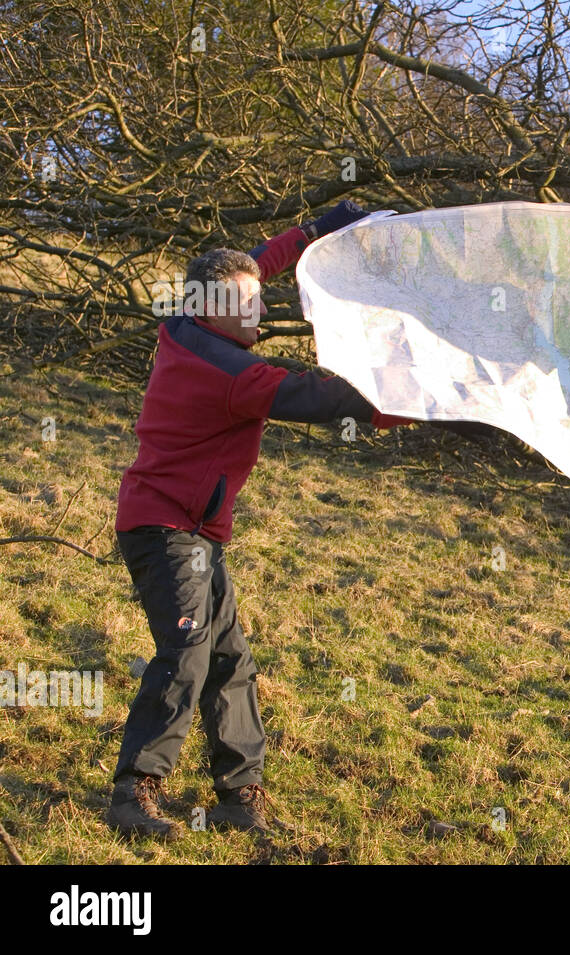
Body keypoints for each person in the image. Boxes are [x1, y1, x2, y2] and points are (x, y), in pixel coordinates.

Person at [106, 200, 414, 839]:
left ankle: (240, 796)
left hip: (194, 530)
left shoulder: (188, 322)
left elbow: (257, 266)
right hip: (164, 526)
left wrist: (316, 230)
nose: (265, 310)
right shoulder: (231, 372)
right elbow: (321, 398)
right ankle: (133, 794)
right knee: (188, 649)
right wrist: (416, 399)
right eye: (251, 305)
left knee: (229, 658)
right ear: (218, 306)